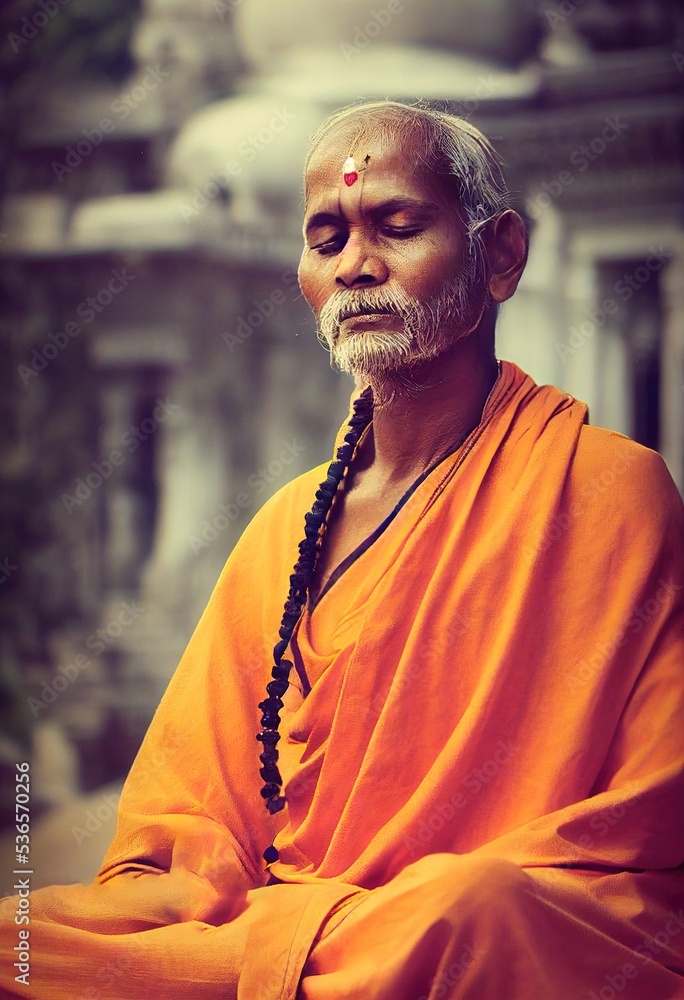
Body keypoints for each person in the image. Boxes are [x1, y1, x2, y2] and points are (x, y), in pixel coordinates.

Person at [1, 100, 683, 1000]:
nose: (358, 265)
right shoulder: (287, 530)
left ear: (502, 256)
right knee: (25, 938)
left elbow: (645, 826)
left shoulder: (603, 490)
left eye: (398, 227)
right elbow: (185, 817)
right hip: (295, 925)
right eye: (326, 240)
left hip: (465, 924)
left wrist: (369, 918)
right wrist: (204, 898)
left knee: (468, 910)